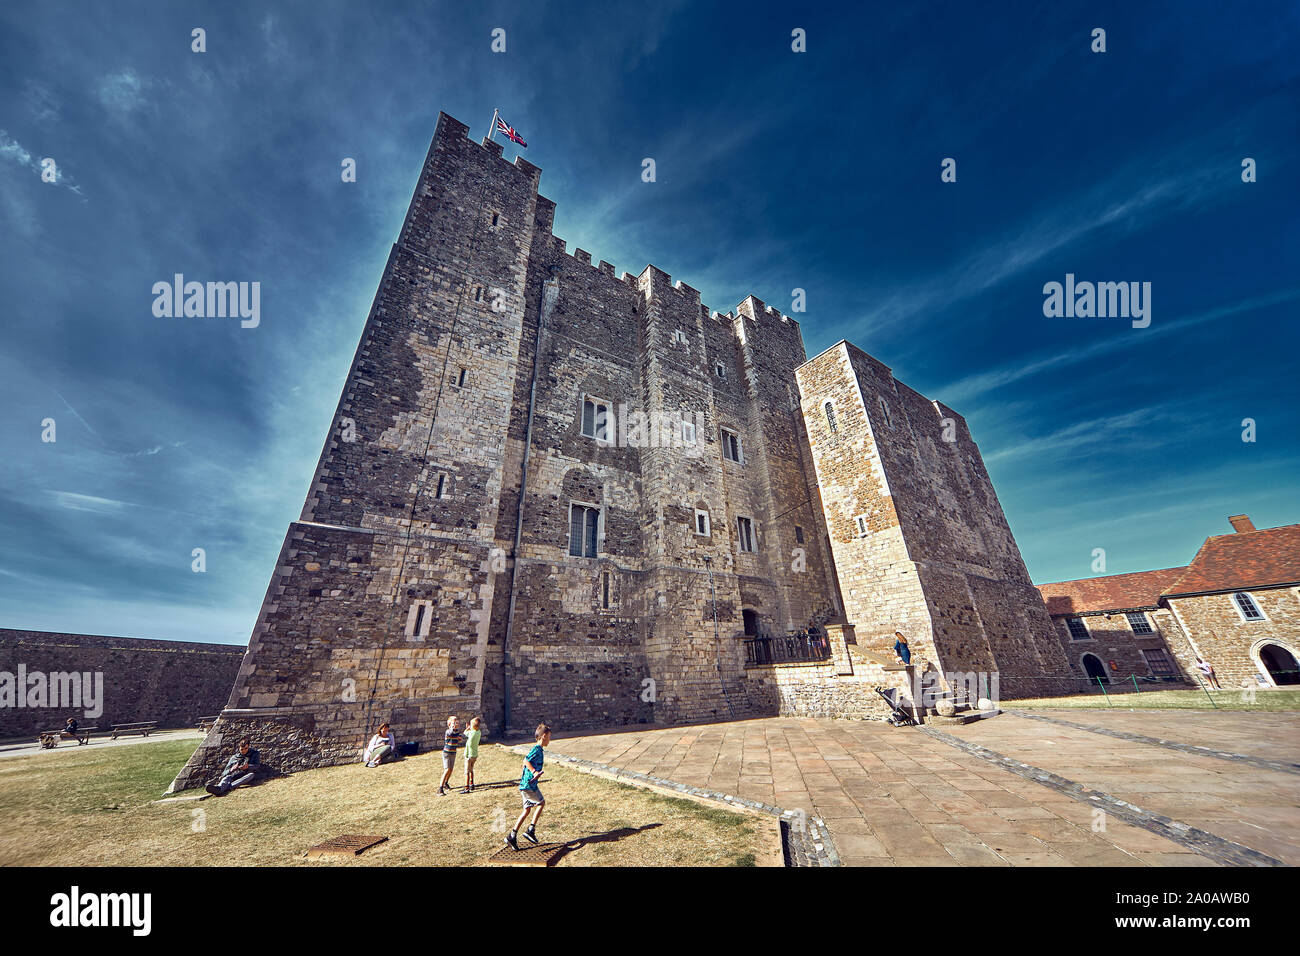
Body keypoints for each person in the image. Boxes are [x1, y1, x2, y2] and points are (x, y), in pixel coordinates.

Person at [506, 723, 551, 851]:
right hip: (528, 785)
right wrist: (534, 772)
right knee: (541, 803)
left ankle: (512, 835)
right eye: (548, 737)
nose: (549, 740)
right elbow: (526, 760)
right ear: (543, 736)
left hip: (525, 785)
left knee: (526, 810)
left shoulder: (539, 750)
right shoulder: (536, 750)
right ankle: (530, 830)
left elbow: (524, 764)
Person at [437, 715, 463, 796]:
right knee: (447, 769)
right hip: (447, 753)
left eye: (457, 722)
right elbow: (451, 733)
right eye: (454, 722)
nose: (456, 724)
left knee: (451, 769)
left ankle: (446, 783)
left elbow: (459, 737)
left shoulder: (457, 731)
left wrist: (462, 736)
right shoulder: (448, 731)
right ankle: (440, 788)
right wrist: (453, 727)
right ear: (449, 725)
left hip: (453, 752)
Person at [460, 716, 482, 793]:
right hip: (475, 755)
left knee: (466, 771)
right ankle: (472, 783)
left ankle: (466, 787)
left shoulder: (471, 733)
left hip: (468, 755)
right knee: (471, 769)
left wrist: (467, 728)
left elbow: (464, 734)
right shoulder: (478, 732)